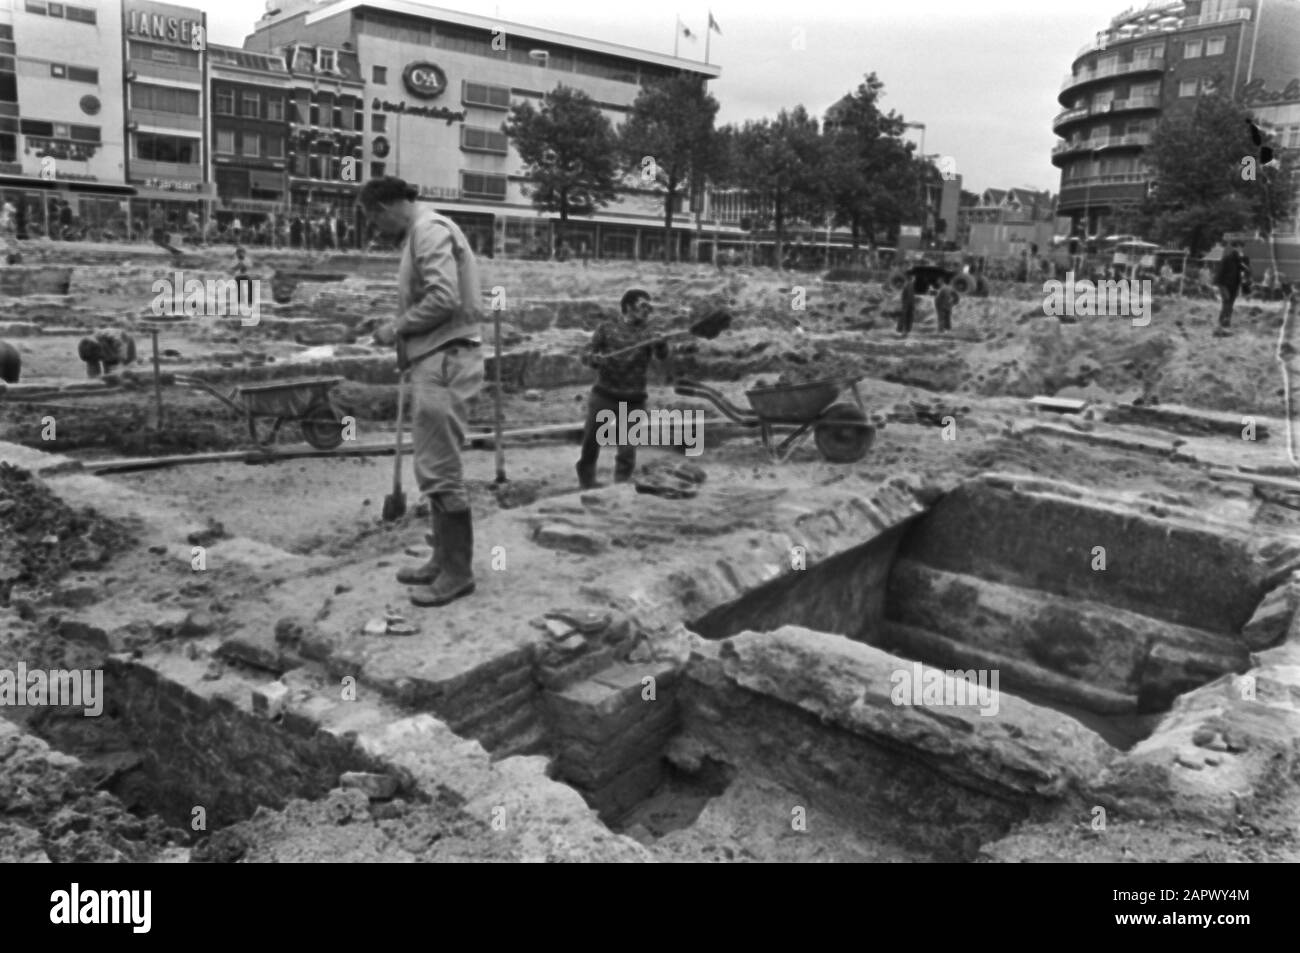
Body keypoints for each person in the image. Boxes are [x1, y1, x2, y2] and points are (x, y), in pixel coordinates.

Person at [362, 176, 485, 609]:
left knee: (442, 469)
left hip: (444, 360)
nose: (377, 229)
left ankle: (457, 572)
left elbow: (444, 298)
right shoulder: (426, 231)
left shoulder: (427, 231)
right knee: (433, 465)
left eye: (375, 218)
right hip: (439, 356)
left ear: (385, 206)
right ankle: (442, 558)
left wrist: (396, 327)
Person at [576, 288, 671, 490]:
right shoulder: (607, 328)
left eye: (649, 308)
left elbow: (661, 356)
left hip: (634, 398)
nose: (647, 311)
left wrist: (661, 344)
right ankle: (586, 482)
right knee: (591, 441)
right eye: (643, 306)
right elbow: (586, 352)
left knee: (627, 448)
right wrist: (594, 358)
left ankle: (620, 487)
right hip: (605, 394)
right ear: (628, 307)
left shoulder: (650, 332)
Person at [1215, 239, 1245, 335]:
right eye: (1239, 247)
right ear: (1235, 248)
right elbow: (1220, 273)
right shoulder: (1227, 258)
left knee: (1230, 304)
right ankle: (1221, 323)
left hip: (1234, 286)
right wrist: (1219, 284)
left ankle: (1226, 323)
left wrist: (1240, 286)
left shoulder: (1239, 261)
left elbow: (1240, 274)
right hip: (1224, 284)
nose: (1241, 249)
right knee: (1227, 303)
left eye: (1241, 247)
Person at [897, 271, 917, 336]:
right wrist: (910, 305)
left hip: (907, 305)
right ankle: (904, 332)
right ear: (912, 277)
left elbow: (907, 296)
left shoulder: (909, 284)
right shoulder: (909, 285)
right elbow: (908, 296)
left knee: (906, 318)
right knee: (906, 318)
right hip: (908, 305)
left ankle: (904, 331)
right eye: (914, 277)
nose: (915, 279)